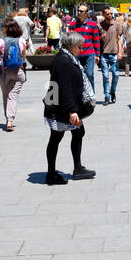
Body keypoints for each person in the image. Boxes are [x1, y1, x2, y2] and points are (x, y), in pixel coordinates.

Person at [42, 31, 96, 185]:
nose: (81, 49)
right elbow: (65, 88)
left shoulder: (66, 58)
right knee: (56, 138)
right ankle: (52, 174)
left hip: (64, 106)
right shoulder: (64, 61)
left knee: (77, 133)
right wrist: (72, 111)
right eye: (79, 46)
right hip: (62, 108)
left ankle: (77, 168)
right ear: (71, 46)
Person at [0, 18, 30, 132]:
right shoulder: (21, 41)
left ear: (6, 29)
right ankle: (10, 120)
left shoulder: (0, 42)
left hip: (4, 72)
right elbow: (24, 57)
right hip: (18, 72)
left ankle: (8, 119)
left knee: (6, 95)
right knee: (13, 95)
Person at [98, 9, 123, 105]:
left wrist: (120, 51)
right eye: (107, 14)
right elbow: (97, 39)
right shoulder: (100, 25)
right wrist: (101, 38)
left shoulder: (116, 24)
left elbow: (119, 39)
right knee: (105, 76)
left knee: (116, 74)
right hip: (104, 54)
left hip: (114, 53)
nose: (110, 15)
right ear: (103, 14)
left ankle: (112, 91)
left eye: (111, 14)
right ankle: (107, 97)